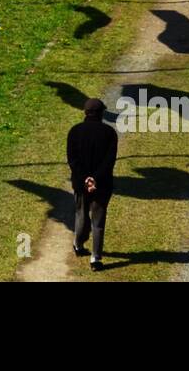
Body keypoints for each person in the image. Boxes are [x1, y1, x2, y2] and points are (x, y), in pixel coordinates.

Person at [66, 97, 118, 269]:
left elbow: (72, 160)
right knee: (98, 221)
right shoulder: (109, 133)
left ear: (85, 113)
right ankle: (95, 258)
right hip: (102, 184)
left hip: (80, 184)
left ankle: (78, 244)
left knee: (81, 214)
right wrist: (95, 178)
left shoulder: (74, 131)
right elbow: (109, 160)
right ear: (101, 113)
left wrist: (85, 179)